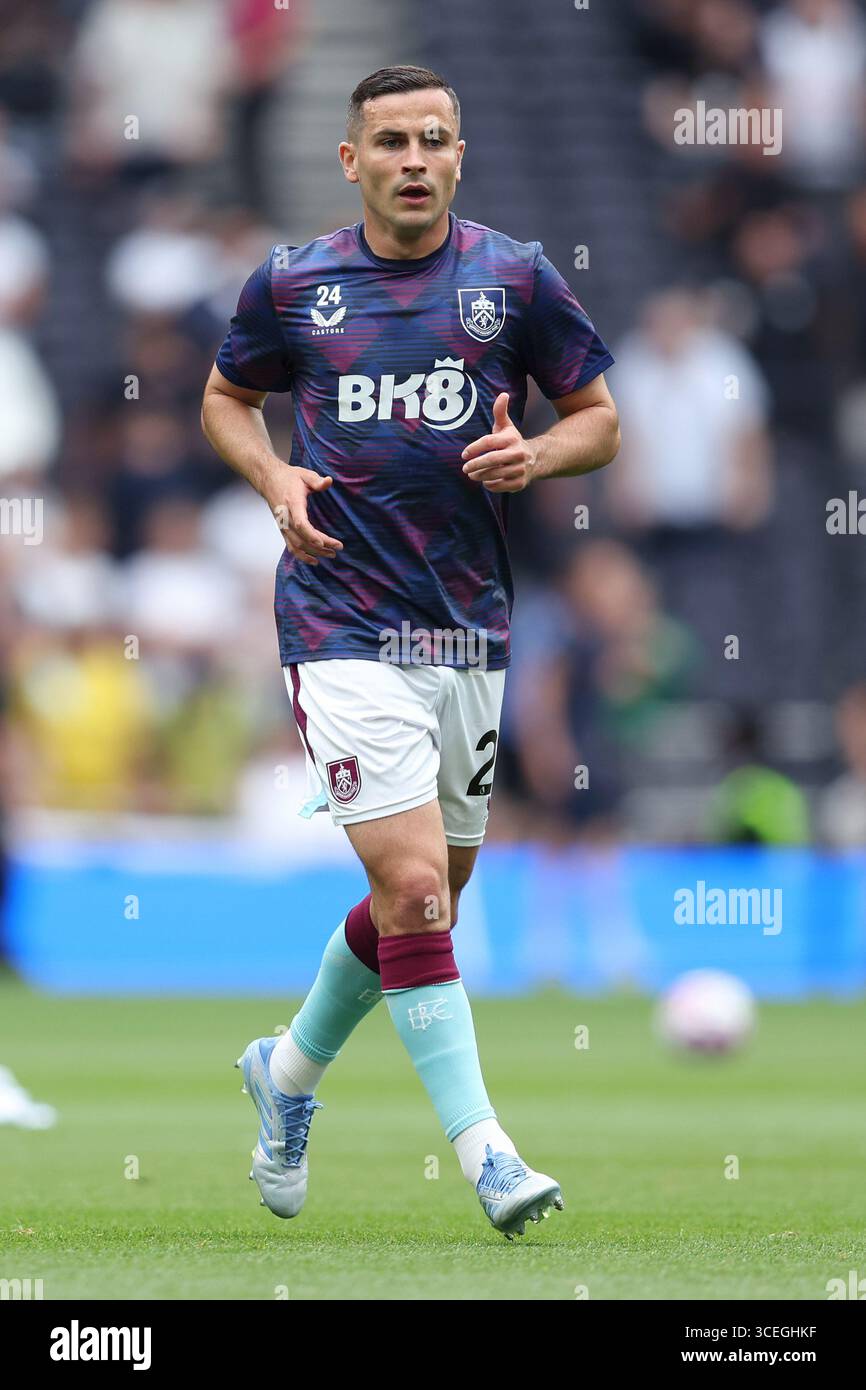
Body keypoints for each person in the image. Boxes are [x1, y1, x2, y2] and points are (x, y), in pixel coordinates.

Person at [201, 65, 620, 1239]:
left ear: (458, 153)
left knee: (423, 901)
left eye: (433, 138)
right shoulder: (293, 284)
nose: (413, 158)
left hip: (466, 625)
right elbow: (225, 401)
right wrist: (275, 473)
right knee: (417, 887)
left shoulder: (514, 276)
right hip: (338, 622)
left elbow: (599, 420)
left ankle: (284, 1073)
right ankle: (487, 1155)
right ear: (352, 161)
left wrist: (537, 455)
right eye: (390, 140)